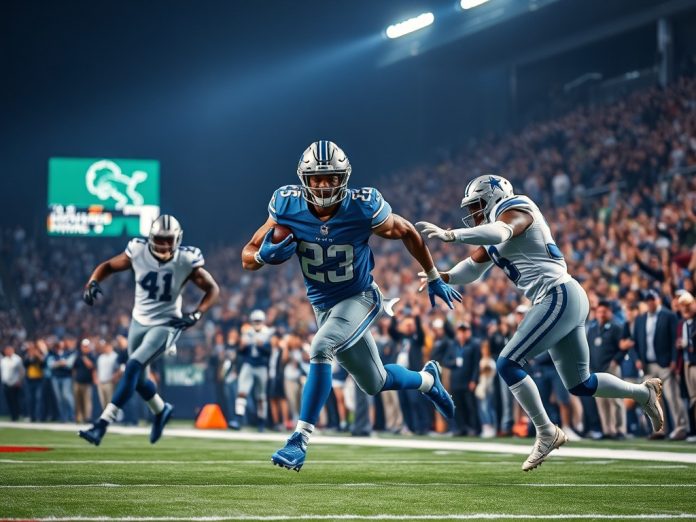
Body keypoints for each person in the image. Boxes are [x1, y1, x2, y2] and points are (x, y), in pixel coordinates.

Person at [417, 174, 663, 471]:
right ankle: (642, 392)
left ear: (493, 197)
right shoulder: (494, 227)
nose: (473, 214)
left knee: (508, 363)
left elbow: (503, 231)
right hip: (563, 298)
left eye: (476, 205)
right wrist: (440, 276)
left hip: (556, 295)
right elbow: (471, 268)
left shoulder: (514, 209)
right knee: (581, 383)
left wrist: (453, 235)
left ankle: (546, 431)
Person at [242, 140, 461, 471]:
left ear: (343, 178)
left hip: (360, 297)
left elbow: (407, 231)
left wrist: (432, 275)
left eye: (331, 178)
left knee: (321, 346)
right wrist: (260, 256)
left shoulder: (362, 206)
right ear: (305, 179)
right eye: (317, 178)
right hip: (323, 306)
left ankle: (299, 439)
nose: (323, 185)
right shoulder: (286, 205)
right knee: (374, 382)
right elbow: (247, 256)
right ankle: (428, 380)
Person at [78, 214, 219, 446]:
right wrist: (93, 281)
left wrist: (196, 313)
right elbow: (108, 266)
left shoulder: (186, 258)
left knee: (132, 366)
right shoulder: (138, 250)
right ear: (151, 237)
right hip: (138, 321)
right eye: (160, 239)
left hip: (166, 323)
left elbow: (212, 289)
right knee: (140, 379)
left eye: (169, 239)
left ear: (178, 239)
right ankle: (161, 410)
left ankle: (102, 424)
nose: (164, 244)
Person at [633, 290, 685, 440]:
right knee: (653, 401)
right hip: (648, 364)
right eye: (647, 300)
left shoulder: (668, 315)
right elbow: (635, 342)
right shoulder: (640, 319)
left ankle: (680, 428)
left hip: (665, 364)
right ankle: (660, 430)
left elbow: (675, 339)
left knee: (672, 396)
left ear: (658, 300)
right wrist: (637, 359)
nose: (650, 302)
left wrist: (674, 360)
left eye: (652, 299)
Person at [587, 301, 626, 439]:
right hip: (596, 370)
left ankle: (619, 430)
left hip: (611, 367)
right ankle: (607, 430)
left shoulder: (616, 328)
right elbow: (588, 349)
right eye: (599, 312)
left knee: (615, 400)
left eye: (604, 312)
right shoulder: (592, 329)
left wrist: (616, 361)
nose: (601, 315)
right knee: (601, 401)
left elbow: (623, 347)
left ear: (610, 312)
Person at [229, 310, 273, 431]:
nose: (257, 323)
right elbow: (241, 352)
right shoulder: (247, 332)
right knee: (242, 392)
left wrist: (262, 346)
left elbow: (270, 352)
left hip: (262, 366)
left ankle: (261, 422)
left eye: (259, 321)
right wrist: (241, 347)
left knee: (261, 396)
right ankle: (238, 419)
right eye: (255, 321)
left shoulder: (268, 333)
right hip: (249, 364)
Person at [73, 339, 96, 424]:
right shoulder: (78, 356)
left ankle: (87, 417)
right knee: (78, 401)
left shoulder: (91, 356)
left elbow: (91, 366)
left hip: (87, 382)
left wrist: (84, 358)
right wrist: (75, 378)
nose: (84, 348)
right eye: (83, 346)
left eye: (86, 346)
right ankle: (79, 418)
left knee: (87, 401)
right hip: (78, 382)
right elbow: (74, 368)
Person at [1, 345, 24, 421]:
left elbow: (21, 371)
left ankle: (17, 415)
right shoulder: (3, 360)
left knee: (15, 400)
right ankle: (12, 416)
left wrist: (19, 381)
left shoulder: (17, 359)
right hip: (6, 383)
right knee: (9, 400)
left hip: (15, 383)